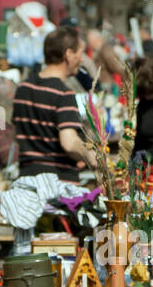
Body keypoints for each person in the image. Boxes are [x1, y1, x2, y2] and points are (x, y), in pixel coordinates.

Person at [14, 26, 93, 181]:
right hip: (58, 183)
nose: (82, 59)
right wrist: (90, 154)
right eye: (80, 53)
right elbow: (69, 143)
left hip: (27, 179)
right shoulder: (64, 94)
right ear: (69, 55)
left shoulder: (22, 88)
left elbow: (16, 135)